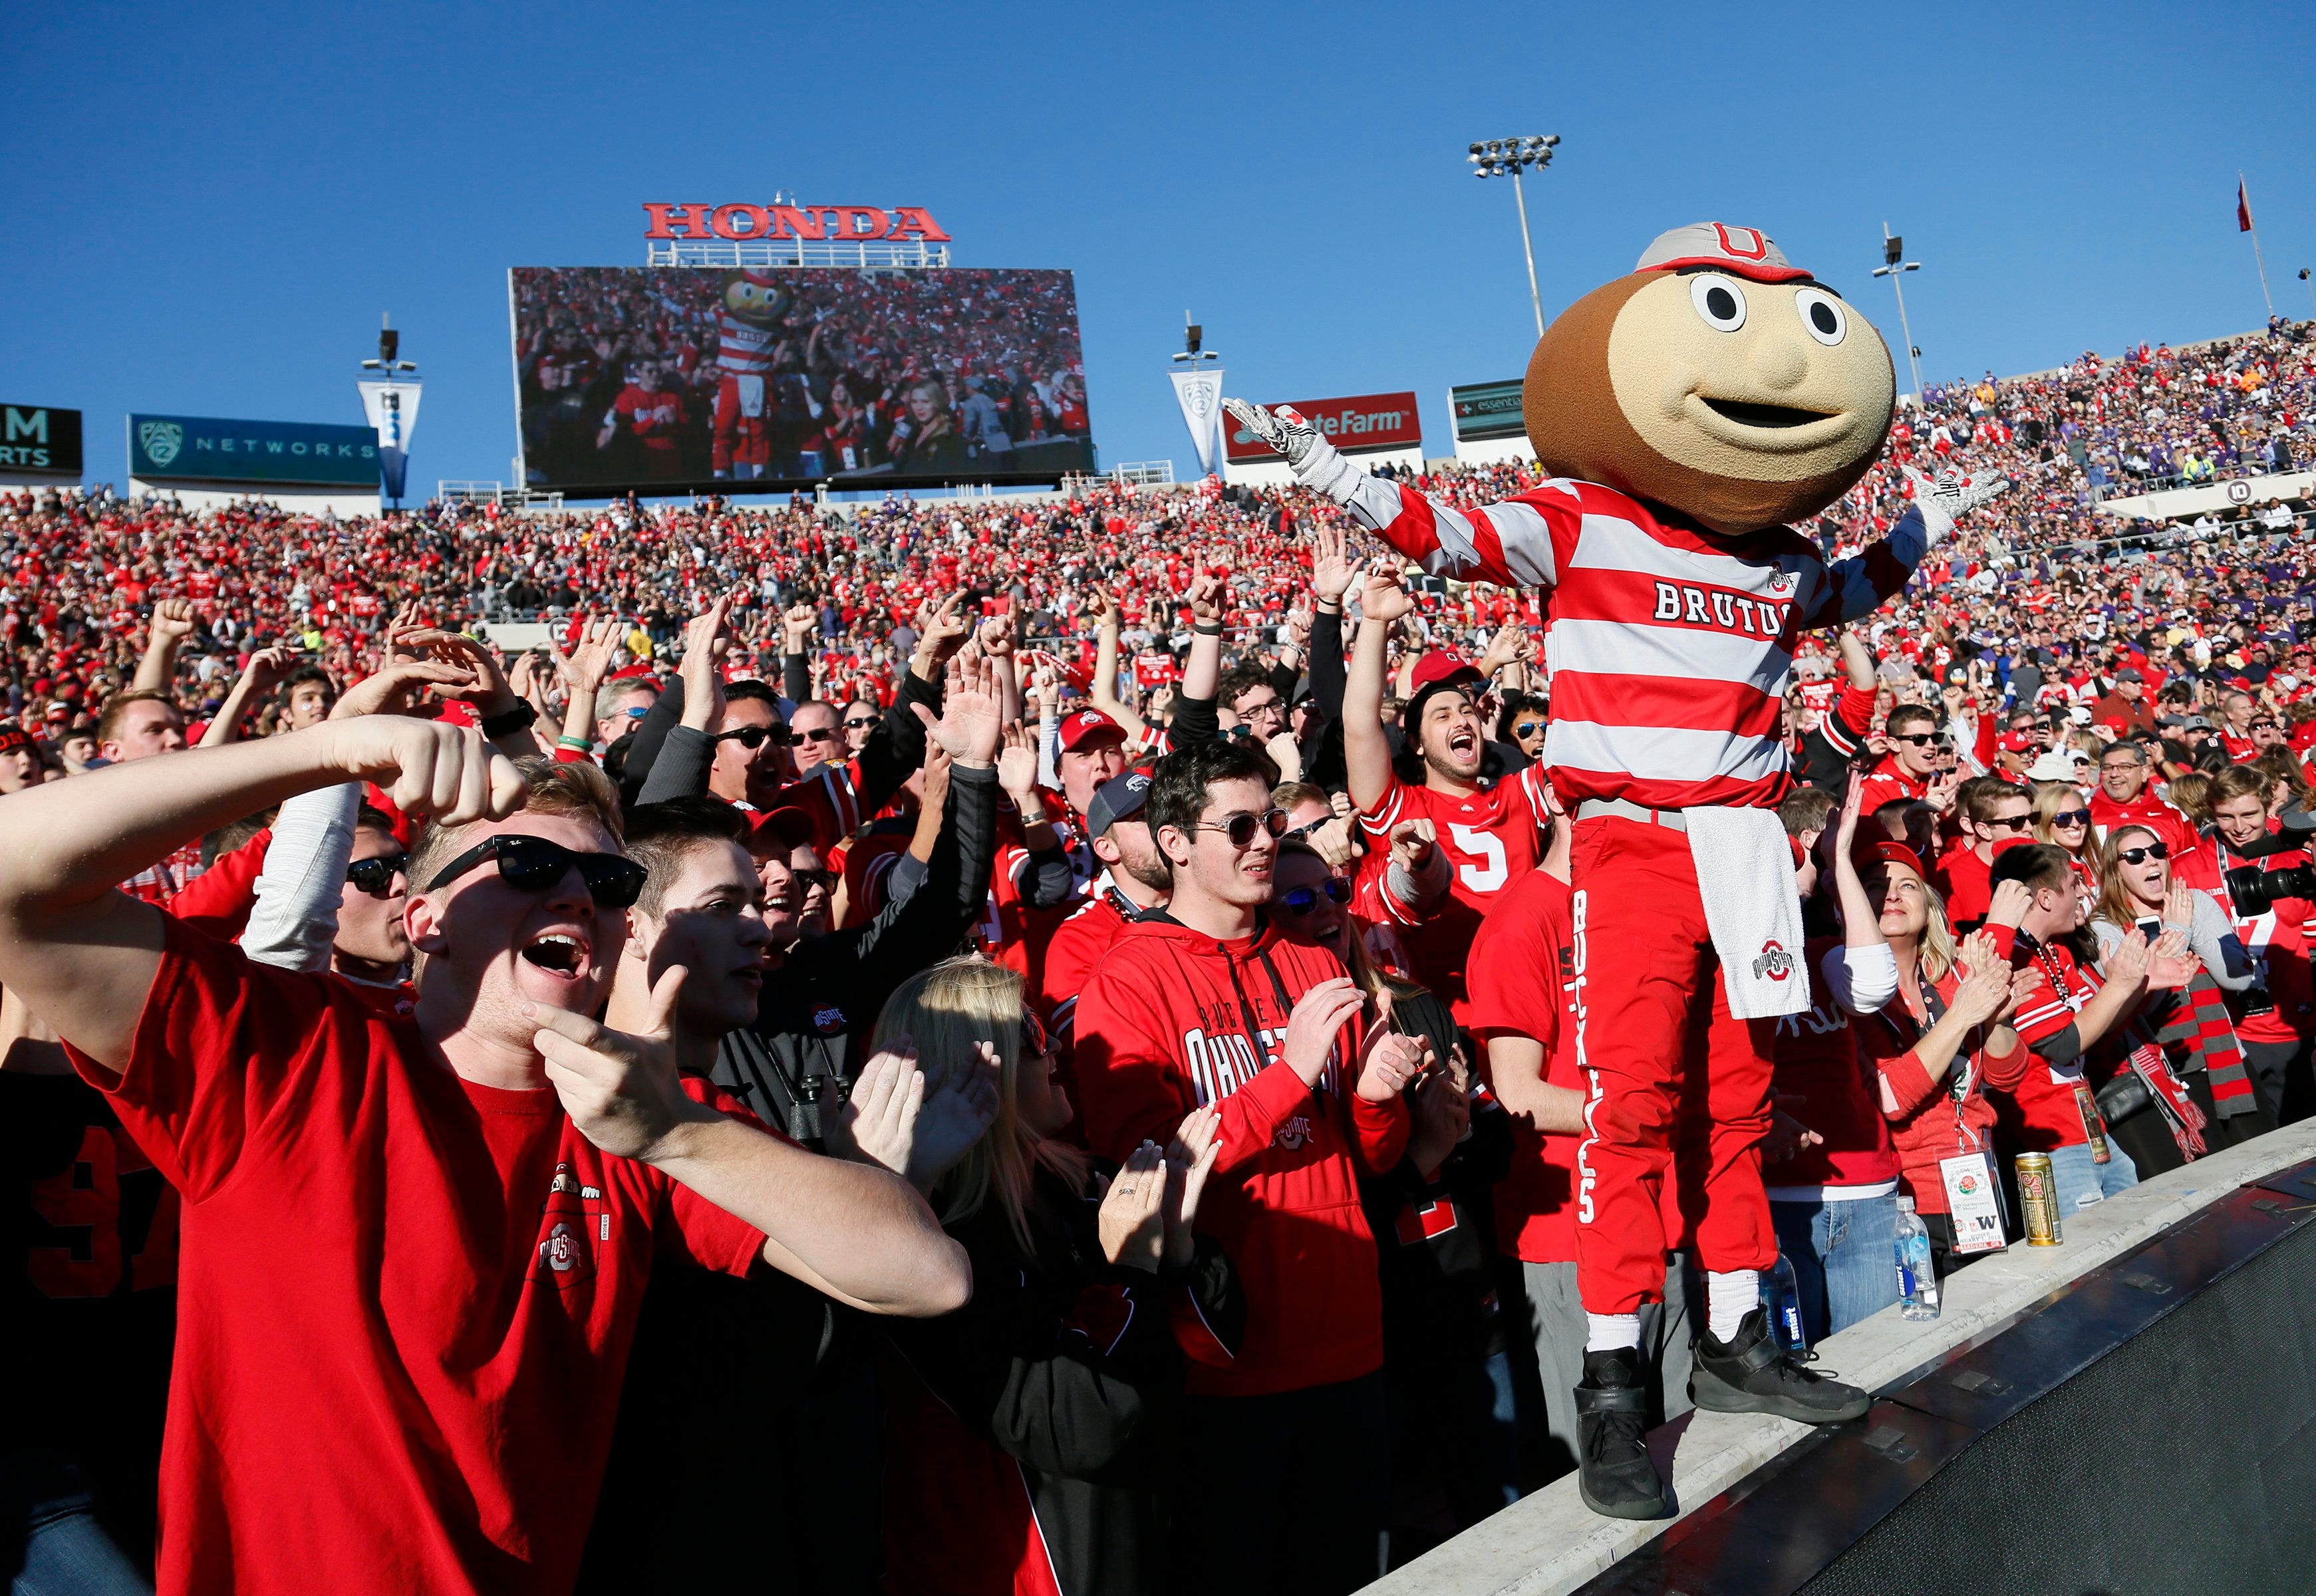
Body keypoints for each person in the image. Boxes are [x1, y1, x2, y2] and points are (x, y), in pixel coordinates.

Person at [0, 720, 970, 1595]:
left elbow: (923, 1277)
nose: (575, 897)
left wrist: (679, 1132)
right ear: (423, 922)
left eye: (606, 882)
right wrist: (330, 752)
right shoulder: (288, 1055)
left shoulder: (637, 1117)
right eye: (523, 865)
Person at [1072, 737, 1424, 1596]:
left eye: (1268, 820)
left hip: (1350, 1343)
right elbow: (1148, 1173)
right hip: (1226, 1367)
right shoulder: (1125, 983)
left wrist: (1378, 1099)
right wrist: (1287, 1075)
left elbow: (1368, 1158)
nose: (1263, 840)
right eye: (1237, 825)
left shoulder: (1312, 960)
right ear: (1174, 843)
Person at [863, 957, 1235, 1596]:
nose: (1056, 1043)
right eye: (1033, 1032)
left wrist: (1173, 1251)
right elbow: (1080, 1426)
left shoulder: (1074, 1182)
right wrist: (1133, 1270)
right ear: (979, 1068)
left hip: (1144, 1531)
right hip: (1035, 1566)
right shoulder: (933, 1251)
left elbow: (1214, 1343)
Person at [1267, 837, 1518, 1557]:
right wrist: (1420, 1153)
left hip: (1459, 1291)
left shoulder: (1414, 1004)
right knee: (1383, 1540)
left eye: (1334, 891)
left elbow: (1496, 1150)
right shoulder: (1283, 1041)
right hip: (1366, 1318)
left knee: (1502, 1524)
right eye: (1296, 899)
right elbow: (1320, 1190)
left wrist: (1454, 1124)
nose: (1323, 910)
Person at [1344, 567, 1548, 1016]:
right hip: (1450, 1021)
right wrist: (1374, 623)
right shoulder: (1403, 807)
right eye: (1441, 715)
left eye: (1466, 710)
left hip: (1533, 1004)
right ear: (1415, 744)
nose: (1461, 719)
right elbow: (1359, 726)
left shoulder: (1519, 794)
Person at [1842, 841, 2030, 1275]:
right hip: (1909, 1206)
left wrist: (2000, 1020)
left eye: (1907, 886)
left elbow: (2005, 1078)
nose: (1892, 895)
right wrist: (1964, 1014)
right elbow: (1890, 1098)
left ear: (1929, 908)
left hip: (1979, 1186)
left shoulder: (1950, 982)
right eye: (1876, 886)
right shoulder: (1852, 996)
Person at [1984, 843, 2176, 1216]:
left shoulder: (2057, 952)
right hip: (2050, 1141)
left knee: (2138, 1231)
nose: (2085, 892)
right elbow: (2062, 1044)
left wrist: (2137, 986)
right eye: (2074, 885)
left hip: (2091, 1127)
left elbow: (2097, 1033)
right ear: (2045, 897)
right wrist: (2119, 986)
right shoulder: (2013, 960)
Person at [2088, 823, 2269, 1160]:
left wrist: (2188, 923)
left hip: (2227, 1064)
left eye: (2158, 852)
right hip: (2167, 1077)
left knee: (2264, 1166)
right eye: (2136, 856)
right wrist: (2178, 930)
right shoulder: (2105, 927)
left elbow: (2239, 978)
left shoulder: (2195, 901)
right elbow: (2138, 1002)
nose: (2152, 862)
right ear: (2115, 869)